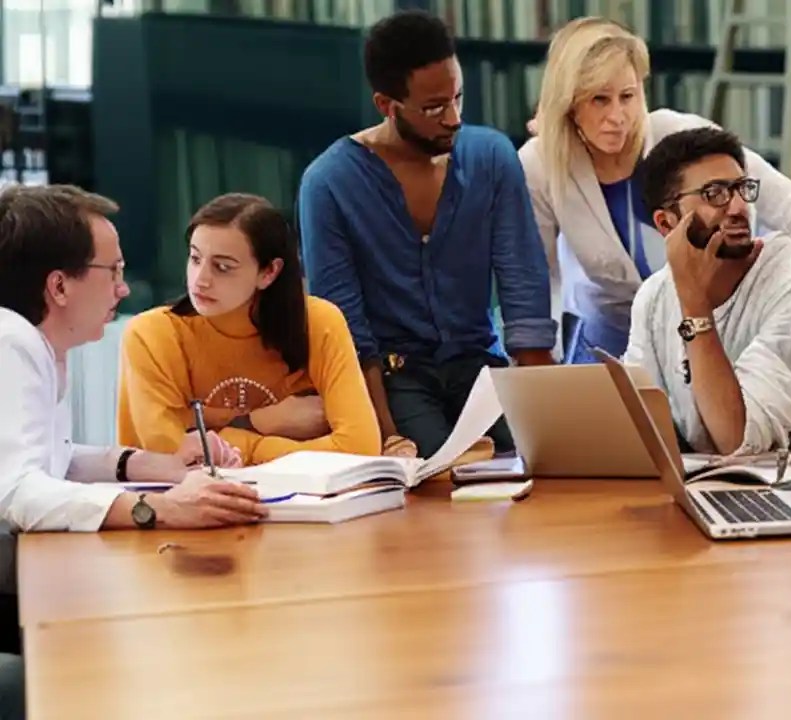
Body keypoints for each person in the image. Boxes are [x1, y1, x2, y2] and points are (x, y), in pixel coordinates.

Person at [0, 185, 267, 654]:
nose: (124, 288)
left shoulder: (35, 345)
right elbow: (19, 491)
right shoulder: (10, 344)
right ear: (59, 286)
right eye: (114, 271)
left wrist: (148, 465)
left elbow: (49, 457)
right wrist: (160, 508)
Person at [297, 10, 556, 459]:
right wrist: (384, 434)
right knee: (437, 470)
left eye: (458, 97)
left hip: (481, 367)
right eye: (435, 107)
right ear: (386, 105)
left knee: (531, 460)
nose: (453, 117)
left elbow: (523, 285)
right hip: (399, 377)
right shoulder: (329, 183)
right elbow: (344, 327)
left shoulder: (491, 157)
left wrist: (544, 418)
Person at [519, 16, 791, 364]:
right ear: (569, 102)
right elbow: (538, 277)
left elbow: (789, 208)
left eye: (628, 96)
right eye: (600, 100)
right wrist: (546, 362)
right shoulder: (539, 165)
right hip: (608, 335)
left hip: (705, 325)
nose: (618, 116)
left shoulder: (678, 135)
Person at [118, 194, 382, 465]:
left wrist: (235, 441)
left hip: (302, 501)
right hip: (182, 501)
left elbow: (360, 447)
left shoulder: (318, 321)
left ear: (268, 273)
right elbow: (171, 453)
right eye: (195, 259)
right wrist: (257, 423)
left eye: (222, 267)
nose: (201, 280)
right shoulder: (152, 334)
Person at [624, 127, 791, 455]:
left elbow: (738, 442)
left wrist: (694, 303)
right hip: (690, 486)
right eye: (714, 193)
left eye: (741, 188)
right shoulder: (653, 296)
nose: (737, 207)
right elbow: (638, 424)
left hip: (774, 492)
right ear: (666, 224)